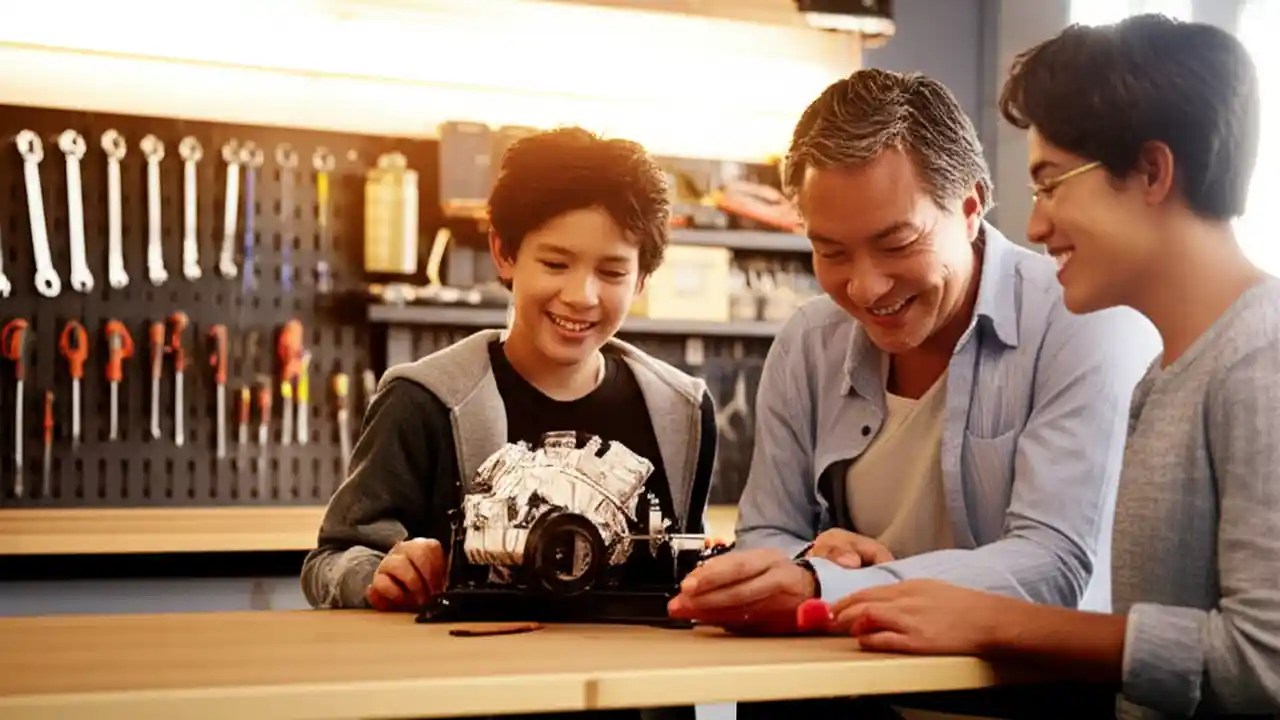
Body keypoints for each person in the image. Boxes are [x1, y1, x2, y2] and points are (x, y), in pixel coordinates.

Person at [825, 14, 1280, 720]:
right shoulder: (1173, 373)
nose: (1035, 227)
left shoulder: (1263, 361)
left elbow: (1265, 661)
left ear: (1153, 172)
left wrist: (993, 619)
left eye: (1051, 184)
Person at [667, 68, 1158, 632]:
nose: (865, 287)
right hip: (851, 691)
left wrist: (838, 585)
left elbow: (1052, 565)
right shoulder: (808, 342)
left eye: (897, 243)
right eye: (831, 252)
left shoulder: (1083, 321)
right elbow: (768, 534)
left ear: (971, 208)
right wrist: (814, 562)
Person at [300, 128, 715, 719]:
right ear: (505, 253)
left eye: (613, 271)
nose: (581, 295)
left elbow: (683, 579)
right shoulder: (423, 400)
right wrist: (375, 573)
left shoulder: (681, 410)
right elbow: (327, 563)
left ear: (643, 278)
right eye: (555, 262)